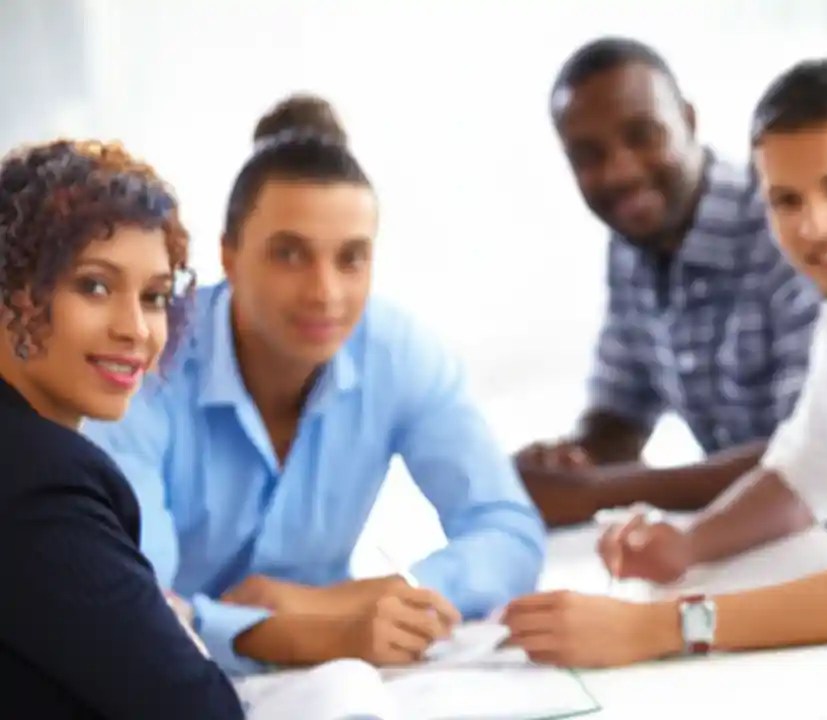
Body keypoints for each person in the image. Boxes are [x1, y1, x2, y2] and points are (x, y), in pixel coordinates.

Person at [500, 57, 827, 668]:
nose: (816, 227)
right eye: (786, 200)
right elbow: (800, 469)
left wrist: (655, 627)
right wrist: (687, 544)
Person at [83, 95, 546, 675]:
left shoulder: (396, 350)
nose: (325, 292)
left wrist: (370, 598)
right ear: (229, 256)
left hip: (330, 686)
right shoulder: (145, 359)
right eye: (289, 255)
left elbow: (508, 532)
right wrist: (297, 634)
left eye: (351, 259)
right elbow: (131, 605)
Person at [515, 37, 822, 527]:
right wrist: (569, 463)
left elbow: (810, 455)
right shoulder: (631, 244)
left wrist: (594, 493)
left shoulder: (784, 225)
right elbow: (620, 415)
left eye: (642, 135)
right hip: (742, 541)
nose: (620, 172)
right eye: (588, 156)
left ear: (689, 120)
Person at [0, 139, 243, 717]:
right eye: (95, 286)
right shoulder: (39, 482)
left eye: (155, 297)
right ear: (9, 291)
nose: (136, 329)